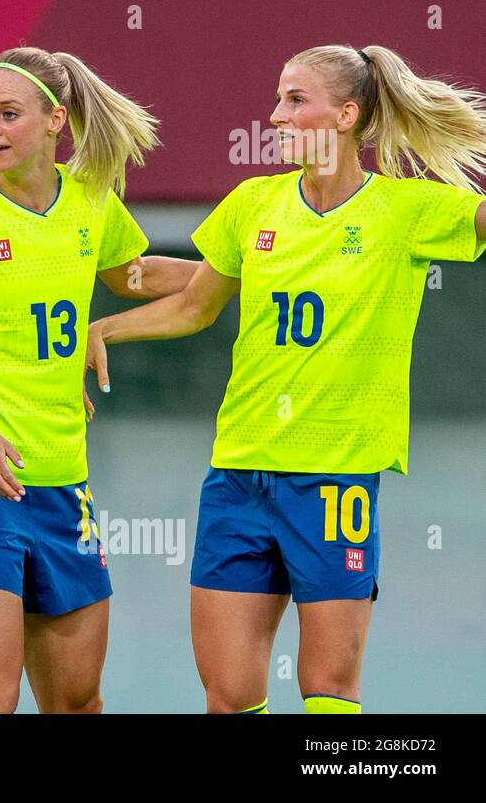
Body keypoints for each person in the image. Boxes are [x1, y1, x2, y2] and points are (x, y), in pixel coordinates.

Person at [85, 44, 486, 714]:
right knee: (230, 696)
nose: (275, 115)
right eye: (278, 99)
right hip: (239, 475)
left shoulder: (405, 210)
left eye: (295, 100)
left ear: (346, 115)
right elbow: (194, 303)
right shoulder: (254, 203)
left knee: (328, 693)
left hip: (336, 479)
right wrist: (104, 329)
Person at [0, 47, 197, 713]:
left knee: (75, 702)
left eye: (9, 114)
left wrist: (249, 269)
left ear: (54, 121)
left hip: (64, 482)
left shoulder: (90, 200)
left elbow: (133, 276)